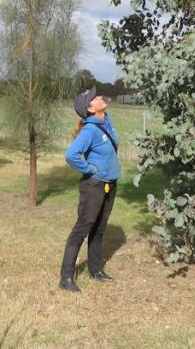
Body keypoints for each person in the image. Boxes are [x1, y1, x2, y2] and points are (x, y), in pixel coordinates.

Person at [59, 86, 121, 293]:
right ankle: (66, 278)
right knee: (81, 229)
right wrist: (90, 169)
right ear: (90, 109)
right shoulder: (90, 130)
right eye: (95, 98)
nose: (100, 96)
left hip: (109, 184)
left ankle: (96, 270)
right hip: (94, 186)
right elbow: (71, 155)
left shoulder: (106, 121)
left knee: (99, 228)